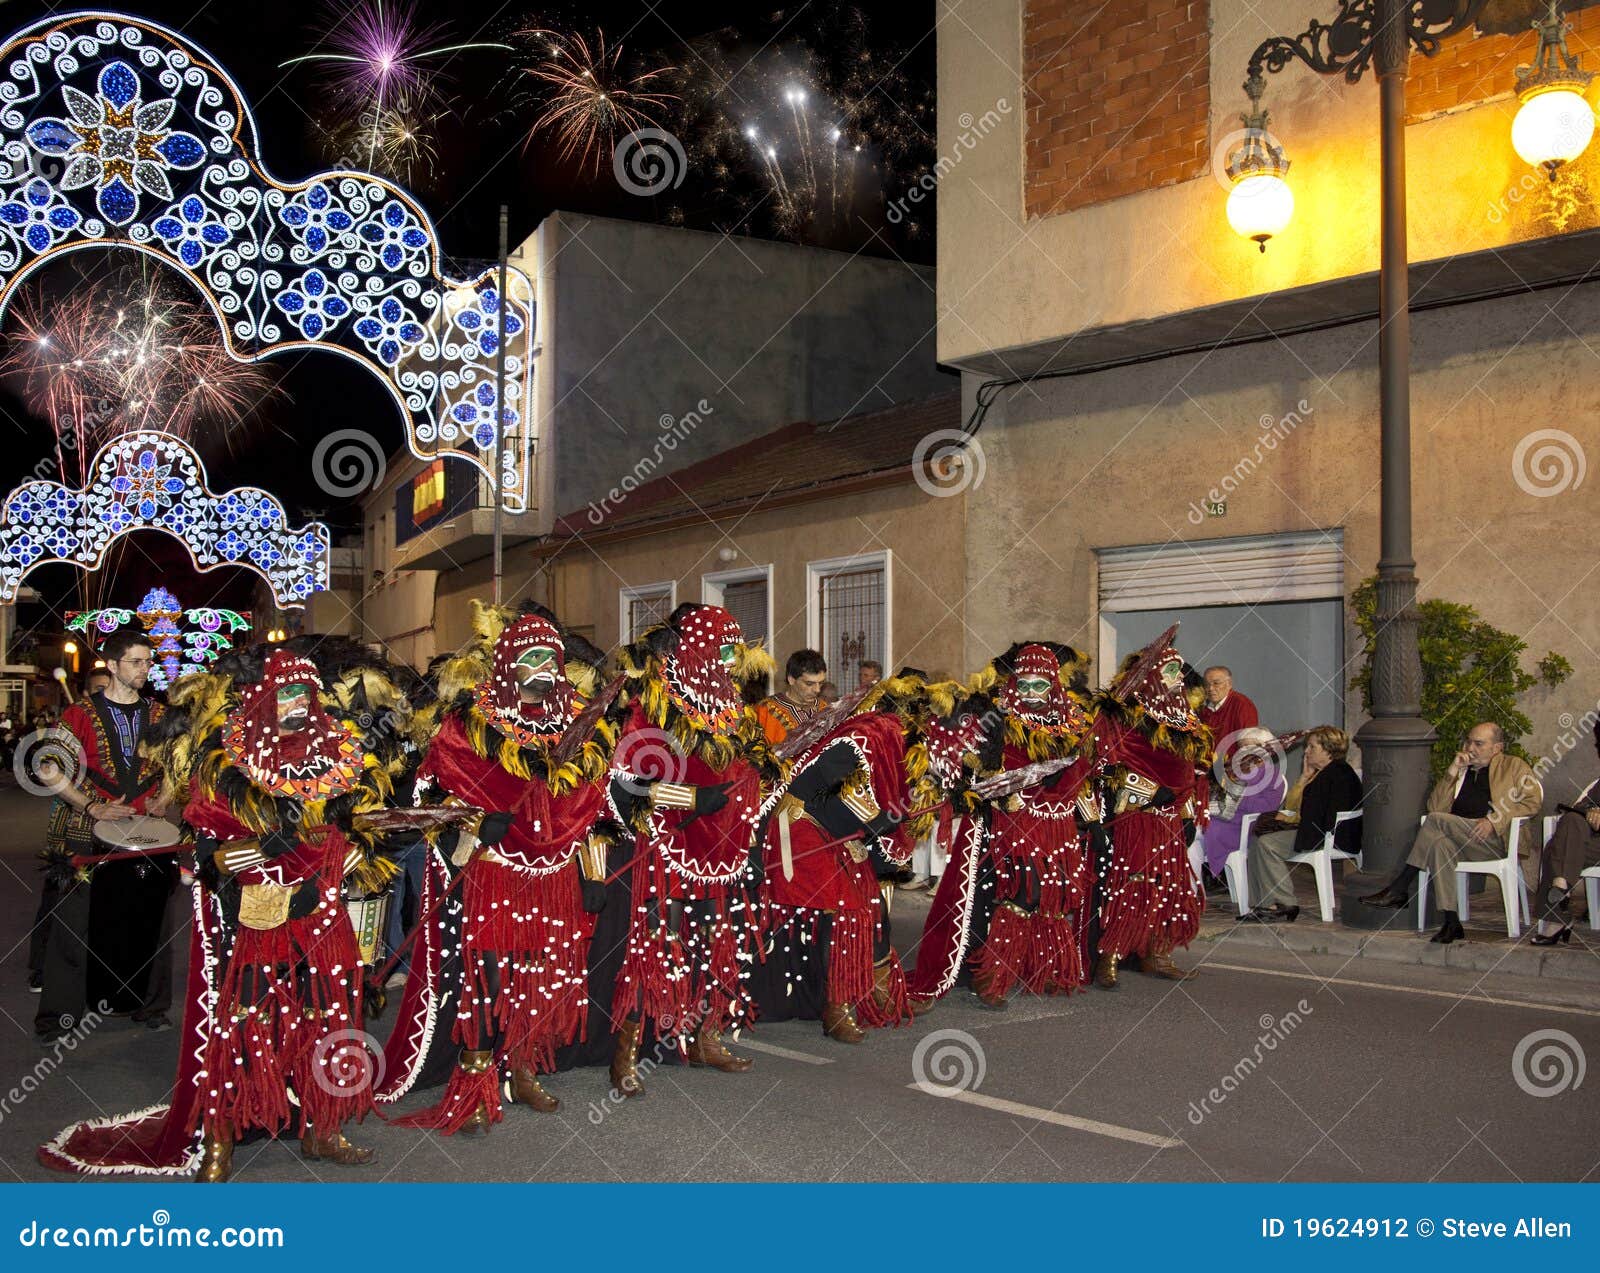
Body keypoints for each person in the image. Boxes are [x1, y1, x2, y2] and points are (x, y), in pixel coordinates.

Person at [38, 644, 408, 1180]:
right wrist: (238, 862)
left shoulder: (342, 753)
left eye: (305, 694)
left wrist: (348, 852)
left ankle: (323, 1126)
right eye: (285, 694)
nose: (297, 705)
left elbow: (356, 824)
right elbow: (208, 832)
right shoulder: (230, 755)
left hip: (321, 910)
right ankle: (222, 1136)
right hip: (257, 912)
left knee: (328, 1015)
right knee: (242, 1024)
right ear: (263, 699)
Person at [385, 605, 613, 1133]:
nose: (543, 669)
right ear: (509, 662)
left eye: (551, 659)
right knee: (488, 977)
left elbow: (596, 808)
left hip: (557, 874)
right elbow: (429, 796)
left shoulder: (581, 722)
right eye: (532, 657)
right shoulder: (469, 722)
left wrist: (594, 874)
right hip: (496, 870)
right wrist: (472, 823)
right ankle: (474, 1081)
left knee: (543, 975)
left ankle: (525, 1066)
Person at [605, 603, 778, 1095]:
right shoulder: (653, 702)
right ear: (697, 650)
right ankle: (626, 1054)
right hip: (670, 843)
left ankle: (707, 1036)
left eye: (734, 652)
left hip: (724, 847)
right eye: (723, 651)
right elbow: (625, 783)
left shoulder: (736, 711)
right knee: (658, 944)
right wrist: (692, 799)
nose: (731, 663)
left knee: (717, 946)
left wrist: (758, 793)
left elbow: (748, 770)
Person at [755, 670, 944, 1041]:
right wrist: (875, 824)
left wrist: (879, 824)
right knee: (843, 908)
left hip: (836, 830)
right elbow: (809, 789)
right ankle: (835, 1008)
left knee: (872, 902)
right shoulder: (866, 738)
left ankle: (879, 990)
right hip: (802, 829)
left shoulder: (887, 738)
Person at [32, 631, 174, 1036]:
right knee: (73, 924)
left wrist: (164, 797)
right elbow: (48, 768)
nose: (146, 669)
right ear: (112, 665)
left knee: (153, 919)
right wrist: (90, 805)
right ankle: (58, 1018)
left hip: (148, 836)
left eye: (149, 662)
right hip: (87, 832)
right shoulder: (78, 715)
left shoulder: (161, 716)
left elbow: (178, 765)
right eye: (137, 662)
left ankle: (150, 1006)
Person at [1090, 627, 1212, 985]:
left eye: (1178, 672)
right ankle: (1109, 954)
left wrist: (1185, 810)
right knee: (1134, 882)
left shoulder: (1186, 719)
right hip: (1137, 814)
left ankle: (1156, 953)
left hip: (1171, 815)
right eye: (1170, 672)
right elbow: (1108, 764)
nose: (1177, 679)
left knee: (1168, 884)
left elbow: (1189, 772)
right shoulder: (1128, 715)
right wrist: (1148, 791)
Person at [1361, 721, 1542, 943]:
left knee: (1436, 822)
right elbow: (1435, 808)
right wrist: (1453, 771)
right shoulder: (1462, 772)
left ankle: (1399, 887)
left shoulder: (1513, 766)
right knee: (1438, 845)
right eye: (1468, 741)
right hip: (1460, 839)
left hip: (1495, 840)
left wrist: (1494, 819)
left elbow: (1533, 802)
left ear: (1497, 748)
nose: (1470, 748)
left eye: (1479, 743)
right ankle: (1451, 921)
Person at [1240, 726, 1362, 923]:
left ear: (1328, 749)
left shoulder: (1335, 776)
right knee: (1258, 839)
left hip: (1327, 836)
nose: (1306, 751)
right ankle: (1264, 903)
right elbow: (1293, 806)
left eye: (1312, 747)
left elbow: (1309, 814)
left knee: (1267, 844)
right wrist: (1304, 778)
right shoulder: (1322, 773)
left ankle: (1284, 903)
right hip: (1317, 829)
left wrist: (1287, 819)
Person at [1528, 719, 1600, 945]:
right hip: (1590, 844)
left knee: (1557, 848)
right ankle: (1561, 885)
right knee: (1571, 822)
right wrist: (1591, 811)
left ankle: (1558, 913)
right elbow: (1577, 807)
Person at [1197, 724, 1286, 890]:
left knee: (1193, 835)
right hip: (1218, 818)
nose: (1244, 751)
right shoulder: (1233, 770)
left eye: (1250, 746)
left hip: (1244, 828)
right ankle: (1193, 891)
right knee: (1189, 839)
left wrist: (1238, 798)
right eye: (1242, 746)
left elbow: (1267, 809)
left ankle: (1193, 889)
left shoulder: (1273, 775)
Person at [755, 648, 830, 744]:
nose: (817, 690)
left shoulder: (824, 708)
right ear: (791, 679)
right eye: (809, 684)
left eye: (821, 683)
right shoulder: (765, 711)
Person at [1200, 666, 1258, 763]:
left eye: (1216, 683)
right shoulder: (1203, 709)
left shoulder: (1242, 704)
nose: (1210, 688)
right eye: (1206, 684)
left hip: (1232, 769)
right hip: (1207, 768)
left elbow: (1248, 747)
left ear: (1229, 684)